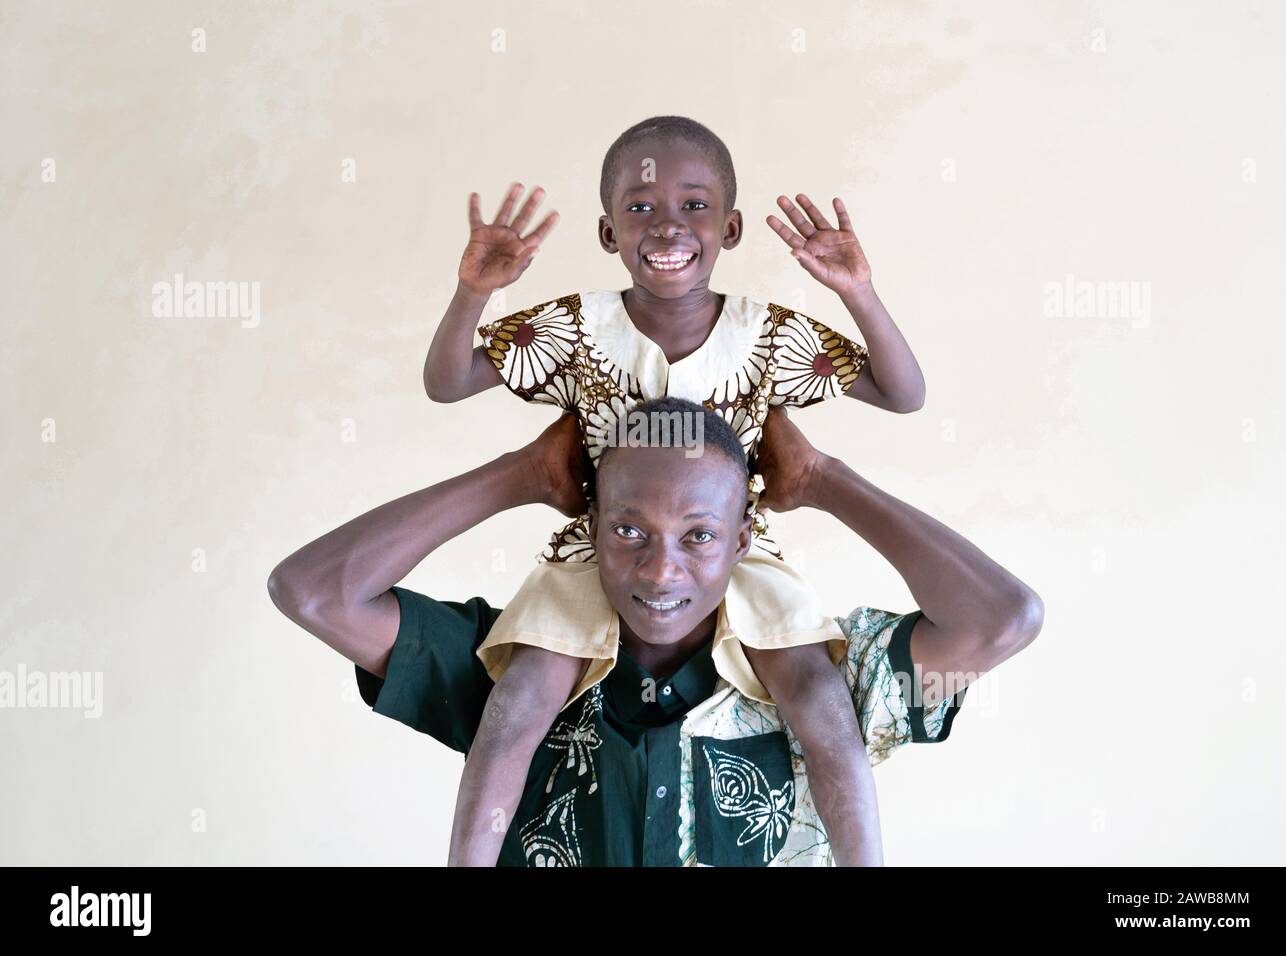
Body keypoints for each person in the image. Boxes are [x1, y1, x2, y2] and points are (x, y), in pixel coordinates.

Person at [422, 115, 931, 865]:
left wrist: (857, 288)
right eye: (640, 207)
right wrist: (473, 292)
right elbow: (447, 381)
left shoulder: (767, 334)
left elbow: (903, 391)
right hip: (601, 551)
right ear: (606, 232)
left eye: (694, 206)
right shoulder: (574, 328)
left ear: (729, 228)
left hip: (731, 552)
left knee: (823, 707)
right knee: (517, 706)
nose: (667, 225)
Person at [267, 398, 1045, 866]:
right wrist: (518, 476)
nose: (661, 571)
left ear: (743, 539)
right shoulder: (502, 668)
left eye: (699, 536)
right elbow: (311, 591)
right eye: (629, 530)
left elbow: (1002, 619)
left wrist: (824, 482)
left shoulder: (831, 680)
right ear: (592, 528)